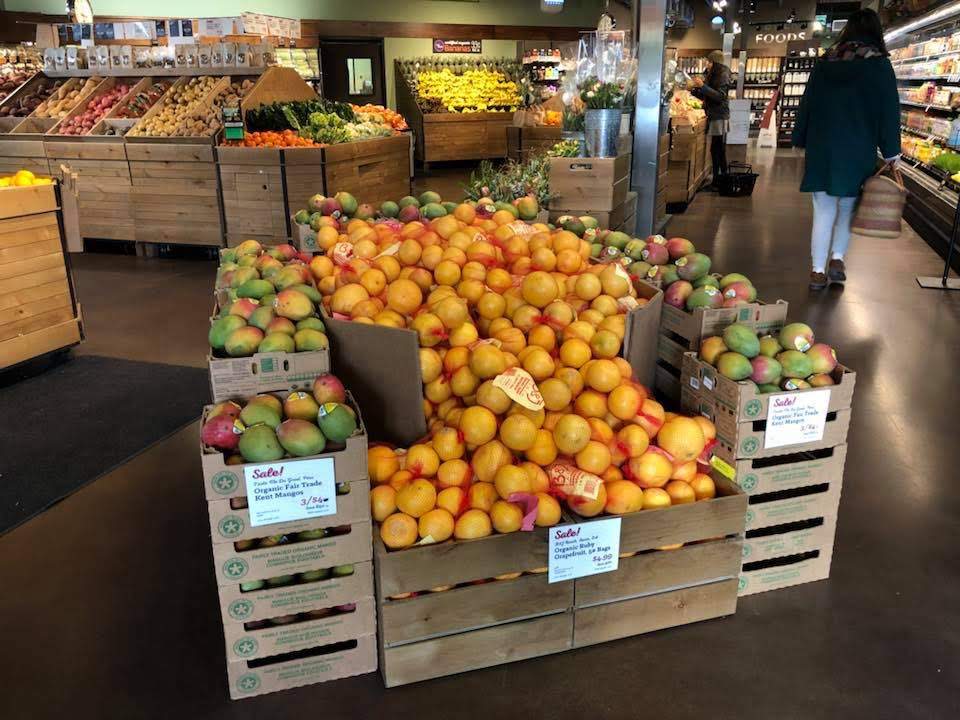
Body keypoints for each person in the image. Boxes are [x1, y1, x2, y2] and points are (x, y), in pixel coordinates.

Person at [793, 8, 901, 289]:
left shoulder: (825, 62)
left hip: (822, 147)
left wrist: (799, 137)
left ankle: (817, 270)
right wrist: (891, 151)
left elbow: (808, 102)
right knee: (848, 207)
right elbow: (889, 111)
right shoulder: (879, 65)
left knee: (823, 210)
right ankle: (837, 258)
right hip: (858, 148)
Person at [691, 50, 732, 186]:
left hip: (718, 115)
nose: (706, 65)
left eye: (708, 62)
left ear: (714, 62)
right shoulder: (714, 73)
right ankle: (721, 179)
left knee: (717, 149)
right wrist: (694, 89)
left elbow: (720, 96)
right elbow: (707, 95)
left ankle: (719, 180)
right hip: (715, 114)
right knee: (717, 148)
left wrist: (702, 86)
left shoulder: (722, 74)